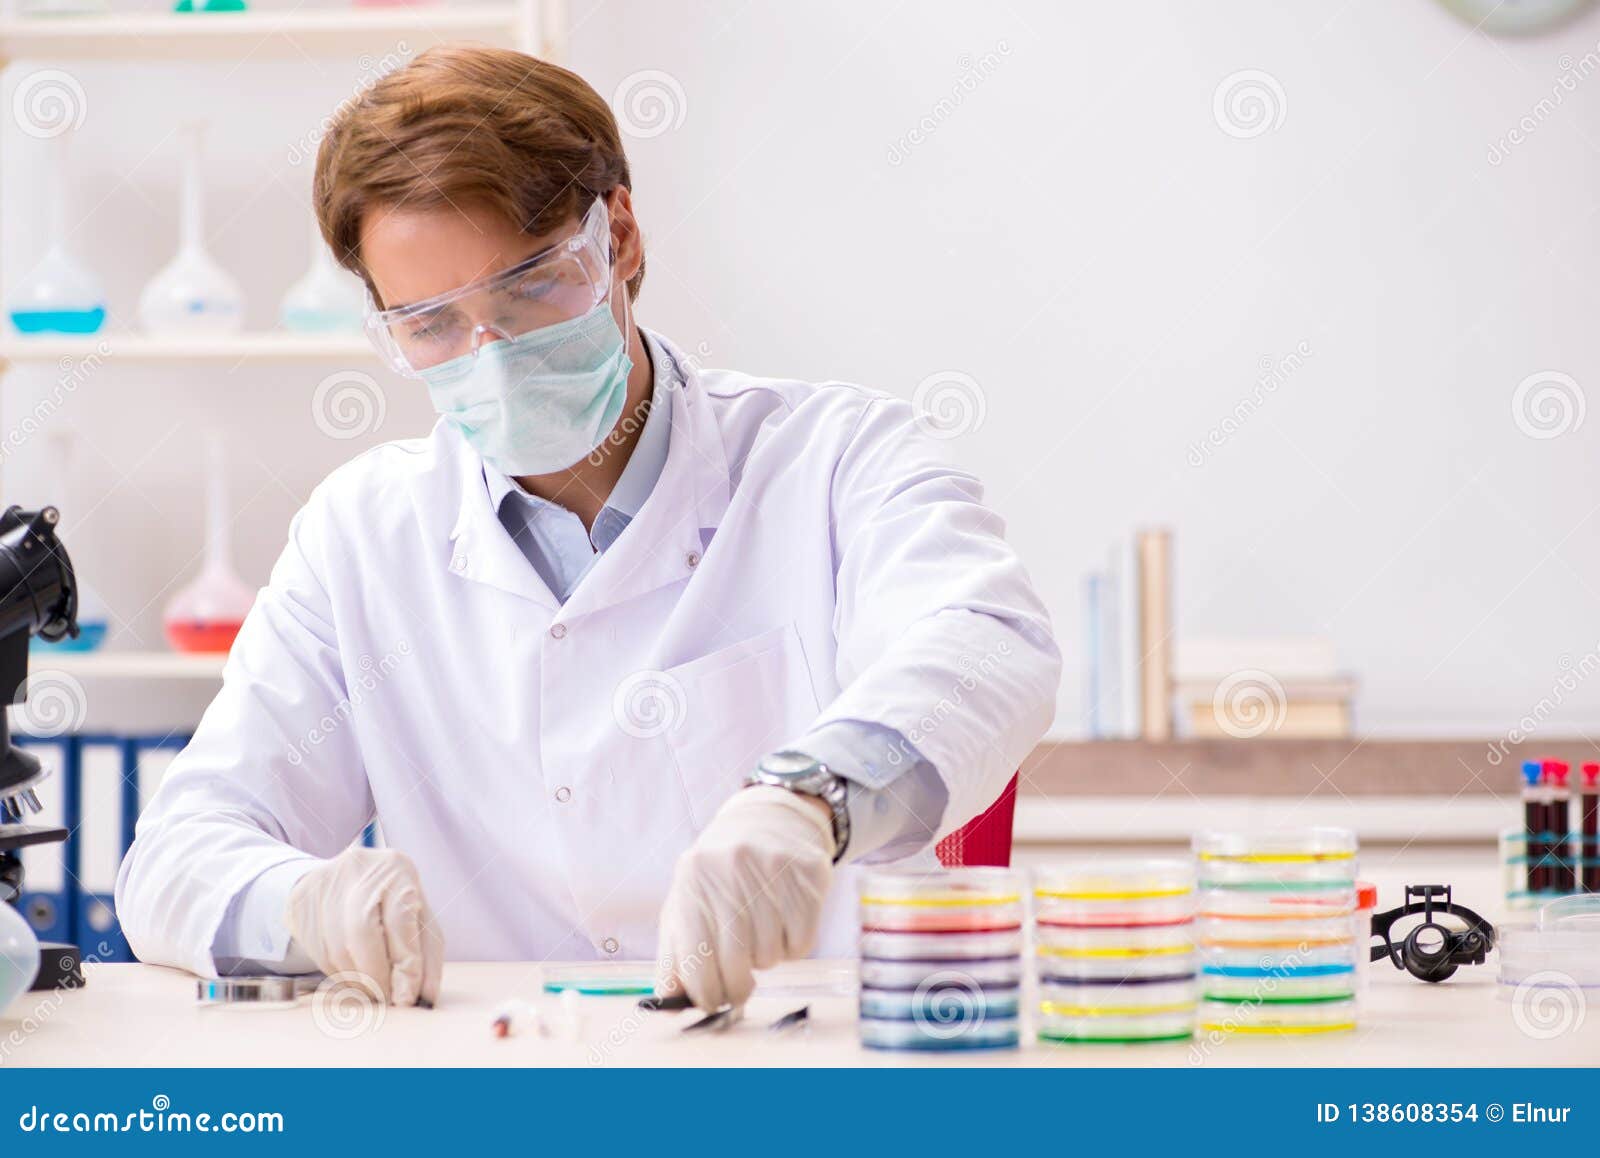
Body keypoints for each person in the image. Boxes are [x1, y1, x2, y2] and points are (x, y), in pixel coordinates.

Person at [115, 45, 1060, 1011]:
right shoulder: (362, 535)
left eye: (528, 288)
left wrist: (806, 801)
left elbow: (990, 643)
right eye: (432, 325)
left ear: (620, 236)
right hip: (502, 1077)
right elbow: (176, 858)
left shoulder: (832, 458)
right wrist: (303, 904)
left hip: (812, 1058)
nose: (492, 356)